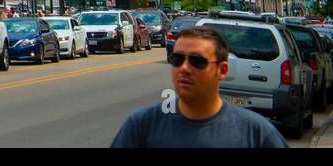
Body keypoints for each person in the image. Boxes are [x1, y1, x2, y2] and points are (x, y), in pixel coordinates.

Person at [111, 26, 286, 148]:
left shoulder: (256, 133)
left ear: (222, 70)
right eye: (177, 59)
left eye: (197, 61)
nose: (185, 68)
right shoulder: (142, 125)